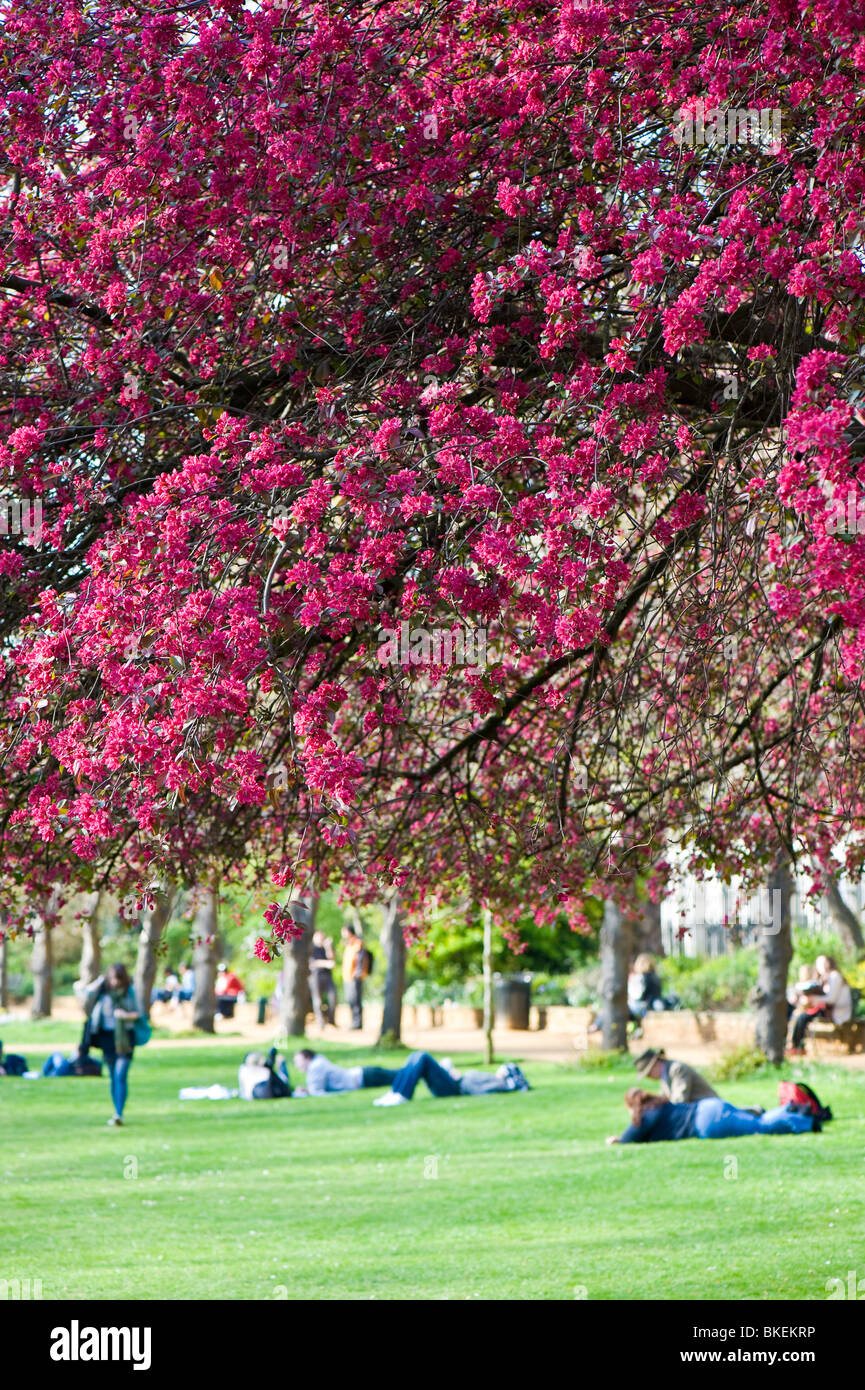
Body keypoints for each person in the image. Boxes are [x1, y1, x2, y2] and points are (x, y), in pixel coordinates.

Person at [606, 1087, 819, 1144]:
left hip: (707, 1124)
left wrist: (616, 1140)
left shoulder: (645, 1115)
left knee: (760, 1126)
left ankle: (805, 1118)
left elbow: (629, 1138)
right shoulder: (661, 1104)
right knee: (758, 1121)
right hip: (709, 1106)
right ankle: (796, 1111)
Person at [75, 964, 142, 1126]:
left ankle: (119, 1112)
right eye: (111, 978)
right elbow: (83, 995)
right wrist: (97, 982)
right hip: (107, 1038)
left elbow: (139, 1013)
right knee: (113, 1076)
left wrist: (125, 1016)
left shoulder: (129, 992)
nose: (114, 982)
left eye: (117, 979)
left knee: (120, 1074)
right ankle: (117, 1111)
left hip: (125, 1038)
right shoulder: (101, 991)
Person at [372, 1051, 531, 1106]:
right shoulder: (494, 1079)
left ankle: (402, 1095)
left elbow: (474, 1089)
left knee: (422, 1057)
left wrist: (456, 1077)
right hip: (454, 1082)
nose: (499, 1071)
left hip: (454, 1088)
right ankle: (395, 1092)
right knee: (416, 1056)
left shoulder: (499, 1083)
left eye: (503, 1071)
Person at [788, 954, 853, 1054]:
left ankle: (797, 1047)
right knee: (798, 1015)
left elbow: (831, 999)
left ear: (828, 963)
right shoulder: (825, 978)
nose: (820, 966)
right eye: (818, 963)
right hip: (827, 1009)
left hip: (836, 1012)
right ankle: (796, 1045)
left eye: (822, 963)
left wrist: (814, 998)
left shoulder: (834, 976)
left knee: (802, 1017)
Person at [293, 1048, 399, 1095]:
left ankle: (415, 1067)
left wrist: (308, 1092)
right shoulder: (318, 1062)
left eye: (298, 1061)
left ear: (307, 1058)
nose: (297, 1065)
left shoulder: (316, 1066)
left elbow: (317, 1091)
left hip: (365, 1077)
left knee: (401, 1075)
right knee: (399, 1075)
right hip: (364, 1076)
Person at [633, 1048, 719, 1103]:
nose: (649, 1077)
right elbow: (664, 1099)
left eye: (649, 1073)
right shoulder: (665, 1075)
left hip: (708, 1109)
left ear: (656, 1063)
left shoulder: (677, 1069)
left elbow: (680, 1100)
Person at [341, 924, 369, 1030]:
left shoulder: (358, 943)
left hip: (355, 977)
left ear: (349, 931)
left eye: (344, 931)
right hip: (347, 977)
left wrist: (357, 973)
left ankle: (358, 1023)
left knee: (355, 999)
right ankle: (354, 1021)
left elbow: (360, 958)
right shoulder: (349, 944)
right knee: (350, 999)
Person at [309, 930, 337, 1027]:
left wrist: (328, 946)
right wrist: (325, 963)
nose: (321, 939)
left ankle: (331, 1021)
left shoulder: (326, 947)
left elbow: (332, 957)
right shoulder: (311, 948)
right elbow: (311, 963)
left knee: (333, 998)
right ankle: (321, 1023)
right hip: (316, 976)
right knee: (318, 1000)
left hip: (328, 976)